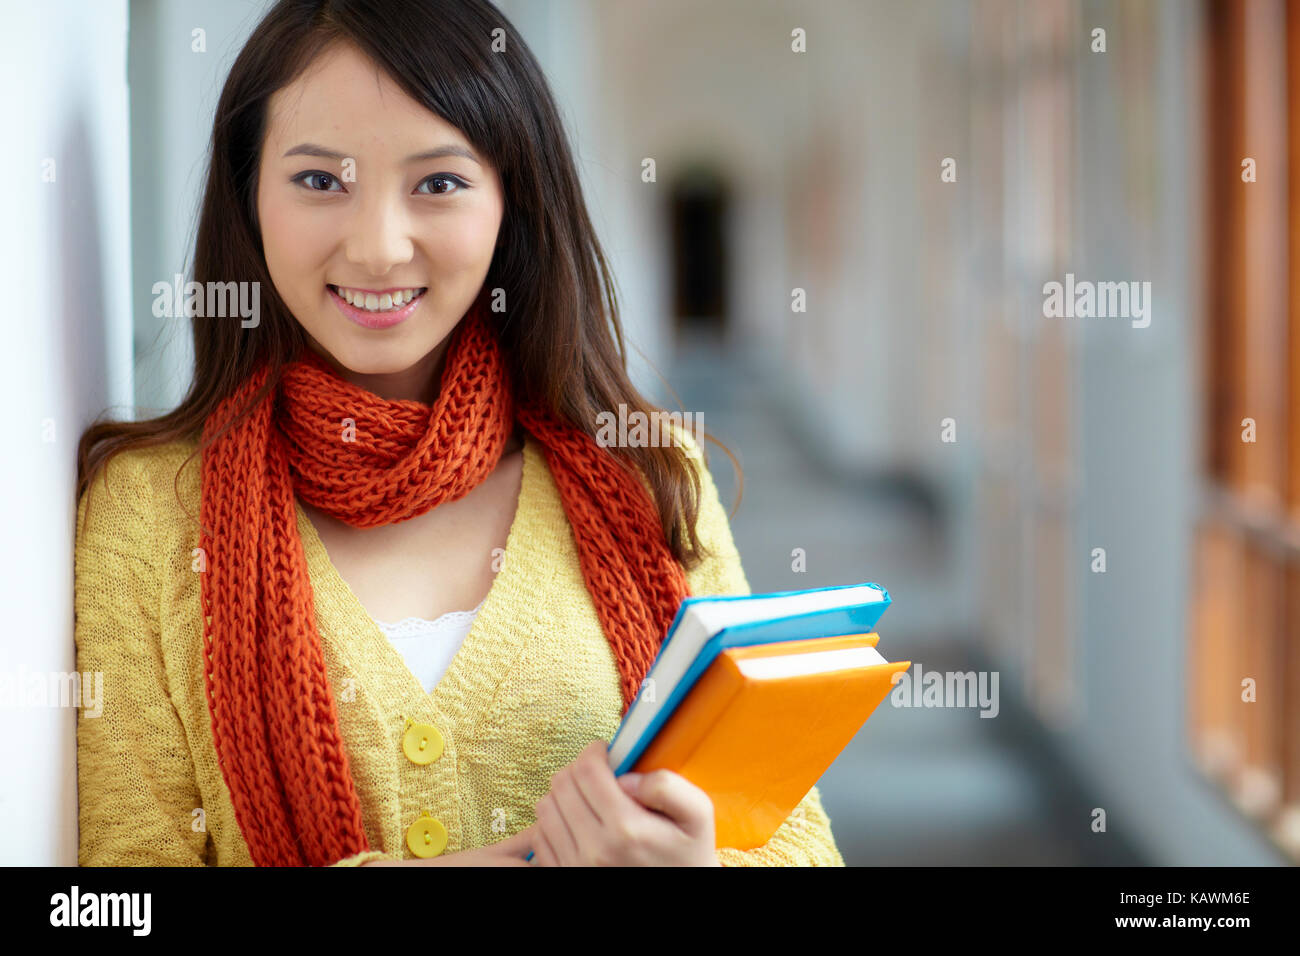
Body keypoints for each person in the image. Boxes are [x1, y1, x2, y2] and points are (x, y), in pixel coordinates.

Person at [73, 0, 844, 867]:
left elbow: (795, 844)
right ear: (248, 197)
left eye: (438, 183)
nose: (377, 248)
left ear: (512, 201)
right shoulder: (148, 514)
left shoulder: (647, 471)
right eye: (319, 180)